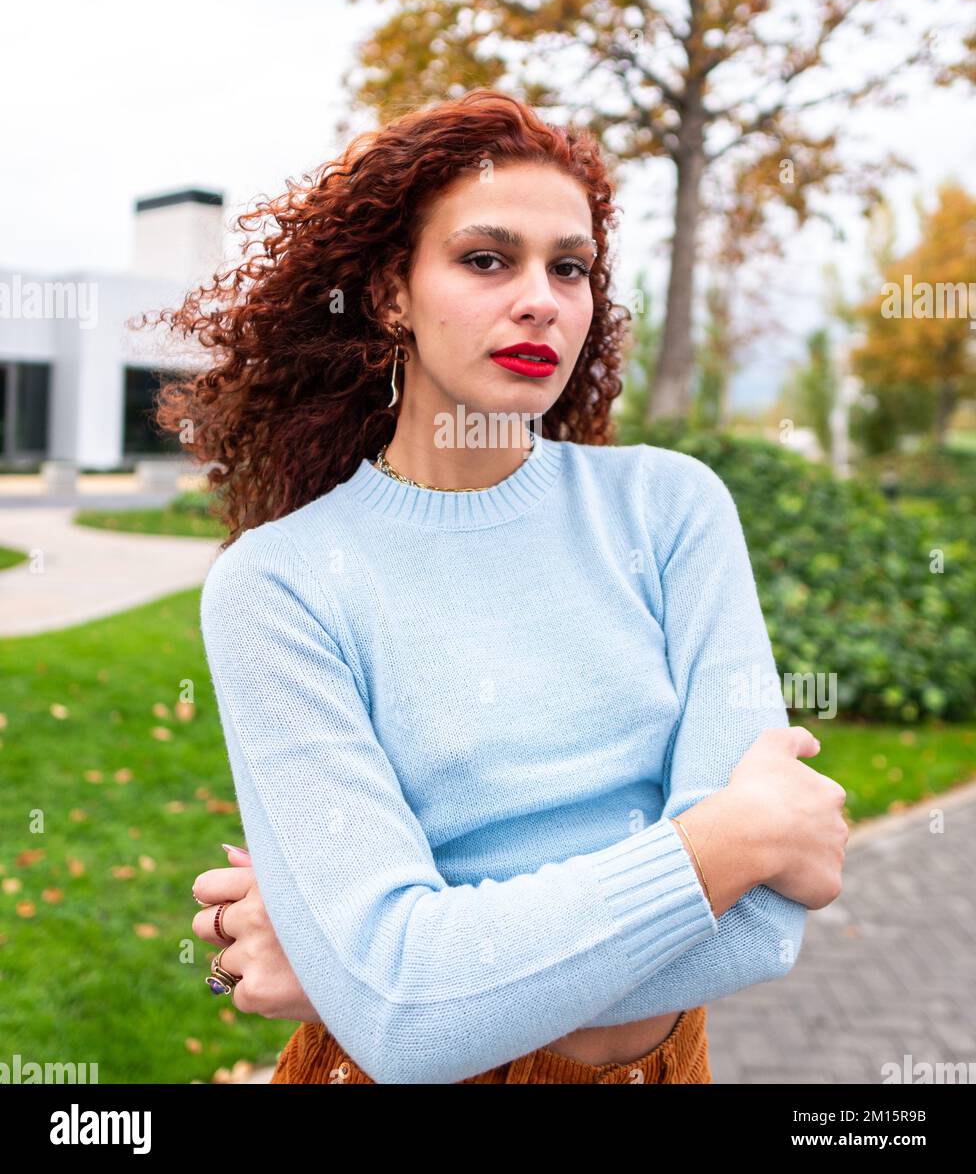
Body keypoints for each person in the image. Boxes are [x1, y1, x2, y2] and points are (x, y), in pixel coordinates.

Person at [150, 87, 847, 1084]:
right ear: (391, 294)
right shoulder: (279, 584)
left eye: (571, 268)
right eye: (487, 259)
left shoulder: (669, 510)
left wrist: (378, 966)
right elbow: (403, 1019)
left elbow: (762, 932)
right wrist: (724, 843)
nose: (541, 299)